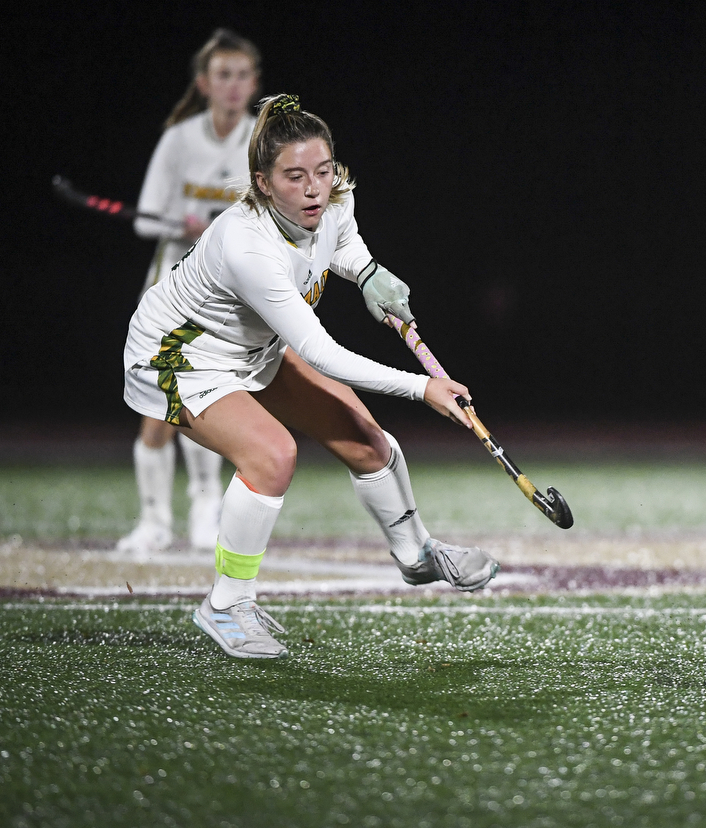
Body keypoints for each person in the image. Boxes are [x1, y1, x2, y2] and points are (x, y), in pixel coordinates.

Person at [122, 93, 499, 659]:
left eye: (322, 171)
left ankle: (417, 554)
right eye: (294, 177)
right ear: (263, 182)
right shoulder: (247, 243)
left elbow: (341, 244)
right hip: (178, 356)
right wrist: (421, 387)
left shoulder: (334, 201)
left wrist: (370, 274)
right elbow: (321, 352)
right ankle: (226, 604)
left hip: (253, 347)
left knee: (369, 441)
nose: (315, 188)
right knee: (272, 455)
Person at [119, 29, 261, 555]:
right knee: (158, 404)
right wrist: (180, 224)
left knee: (210, 395)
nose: (233, 86)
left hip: (225, 296)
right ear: (204, 83)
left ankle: (205, 507)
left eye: (243, 76)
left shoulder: (257, 141)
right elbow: (143, 219)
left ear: (253, 84)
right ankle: (154, 520)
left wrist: (225, 229)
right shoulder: (179, 139)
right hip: (170, 290)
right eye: (223, 75)